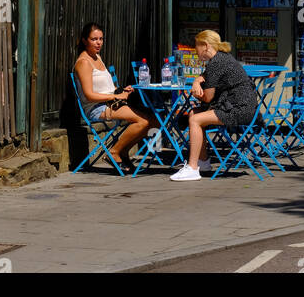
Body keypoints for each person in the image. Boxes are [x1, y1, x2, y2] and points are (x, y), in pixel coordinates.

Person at [170, 30, 258, 182]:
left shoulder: (216, 63)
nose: (195, 50)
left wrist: (196, 92)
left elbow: (207, 98)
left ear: (205, 45)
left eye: (196, 46)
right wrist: (197, 81)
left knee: (195, 120)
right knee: (194, 113)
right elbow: (206, 75)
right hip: (242, 107)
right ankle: (202, 162)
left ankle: (192, 168)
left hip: (238, 110)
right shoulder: (221, 58)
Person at [73, 22, 156, 170]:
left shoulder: (97, 57)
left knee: (153, 119)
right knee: (142, 121)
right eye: (94, 39)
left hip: (111, 102)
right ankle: (114, 152)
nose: (98, 43)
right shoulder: (84, 62)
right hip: (97, 108)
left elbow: (107, 88)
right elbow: (89, 95)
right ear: (85, 40)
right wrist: (115, 97)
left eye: (101, 39)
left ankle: (123, 151)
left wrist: (122, 90)